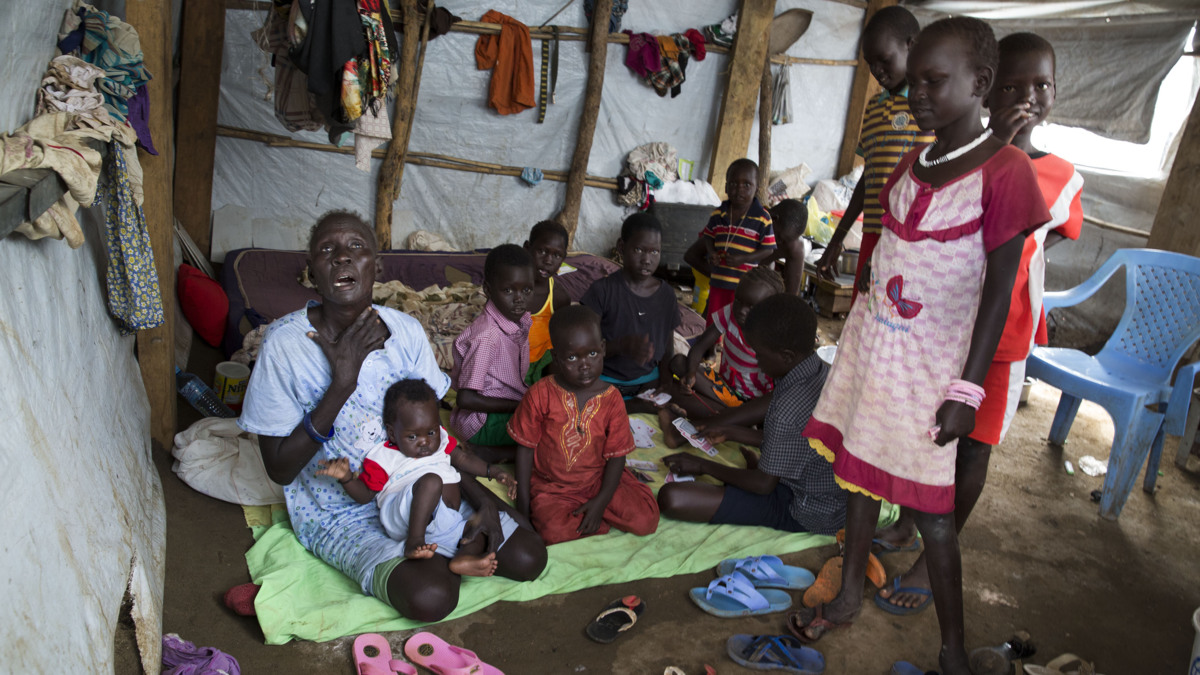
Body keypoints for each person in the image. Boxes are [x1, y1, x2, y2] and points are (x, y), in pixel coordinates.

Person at [787, 19, 1051, 675]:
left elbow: (997, 293)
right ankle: (849, 592)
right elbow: (882, 256)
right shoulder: (913, 161)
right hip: (874, 354)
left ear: (980, 84)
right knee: (858, 480)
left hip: (932, 372)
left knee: (933, 512)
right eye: (916, 82)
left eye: (936, 82)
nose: (919, 95)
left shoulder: (1007, 172)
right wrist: (854, 328)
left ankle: (953, 649)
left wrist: (967, 389)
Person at [239, 211, 546, 622]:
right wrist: (341, 383)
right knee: (432, 595)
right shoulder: (284, 345)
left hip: (427, 489)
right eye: (327, 250)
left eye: (357, 248)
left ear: (377, 266)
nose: (343, 258)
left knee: (529, 555)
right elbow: (279, 468)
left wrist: (481, 498)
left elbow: (434, 440)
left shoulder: (405, 331)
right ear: (311, 271)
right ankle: (435, 562)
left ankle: (441, 553)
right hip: (345, 509)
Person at [873, 31, 1084, 614]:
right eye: (1014, 84)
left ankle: (927, 556)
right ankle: (913, 523)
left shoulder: (1060, 174)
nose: (1029, 95)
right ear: (986, 90)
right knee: (929, 435)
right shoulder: (954, 158)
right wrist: (1001, 145)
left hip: (1004, 339)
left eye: (1041, 84)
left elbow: (1046, 244)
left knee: (972, 449)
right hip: (941, 331)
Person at [657, 294, 844, 535]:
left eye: (760, 354)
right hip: (835, 500)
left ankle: (762, 471)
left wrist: (703, 465)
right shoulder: (821, 371)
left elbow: (764, 485)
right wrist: (735, 432)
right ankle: (765, 468)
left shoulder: (786, 407)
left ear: (786, 356)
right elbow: (802, 439)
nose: (756, 360)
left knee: (672, 498)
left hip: (804, 510)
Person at [315, 378, 519, 577]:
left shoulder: (440, 441)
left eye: (430, 432)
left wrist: (494, 472)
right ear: (393, 434)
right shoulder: (384, 456)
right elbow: (366, 495)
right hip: (404, 515)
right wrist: (347, 478)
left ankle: (464, 559)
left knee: (477, 526)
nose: (424, 442)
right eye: (412, 437)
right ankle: (413, 542)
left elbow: (463, 459)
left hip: (444, 519)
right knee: (431, 481)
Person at [508, 305, 661, 544]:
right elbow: (525, 449)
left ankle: (595, 513)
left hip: (598, 480)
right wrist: (523, 507)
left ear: (602, 349)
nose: (585, 365)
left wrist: (601, 501)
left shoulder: (612, 399)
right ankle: (594, 518)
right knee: (550, 531)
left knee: (646, 519)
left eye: (592, 354)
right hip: (553, 487)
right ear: (556, 358)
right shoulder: (540, 394)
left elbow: (617, 456)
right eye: (572, 357)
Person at [814, 5, 934, 301]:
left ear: (912, 46)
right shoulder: (874, 107)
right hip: (873, 232)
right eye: (870, 63)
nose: (877, 70)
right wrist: (837, 239)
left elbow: (932, 182)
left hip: (910, 241)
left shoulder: (930, 107)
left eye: (885, 59)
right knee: (862, 321)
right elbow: (869, 177)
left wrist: (889, 250)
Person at [659, 267, 785, 444]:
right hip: (723, 388)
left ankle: (715, 420)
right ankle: (721, 417)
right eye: (739, 300)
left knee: (680, 395)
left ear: (771, 309)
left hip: (749, 405)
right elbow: (700, 346)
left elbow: (772, 398)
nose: (741, 310)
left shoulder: (773, 337)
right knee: (679, 363)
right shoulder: (731, 313)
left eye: (751, 306)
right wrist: (691, 375)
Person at [581, 212, 680, 413]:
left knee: (688, 404)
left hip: (648, 383)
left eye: (654, 252)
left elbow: (668, 348)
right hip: (605, 382)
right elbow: (584, 351)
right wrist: (621, 346)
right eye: (638, 249)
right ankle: (629, 407)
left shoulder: (666, 294)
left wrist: (666, 381)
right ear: (621, 247)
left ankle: (634, 407)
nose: (647, 259)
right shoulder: (602, 291)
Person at [450, 244, 536, 463]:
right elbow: (466, 398)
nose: (519, 299)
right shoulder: (487, 337)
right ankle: (492, 453)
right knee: (551, 435)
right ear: (488, 289)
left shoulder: (520, 319)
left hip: (503, 402)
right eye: (508, 290)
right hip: (481, 422)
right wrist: (519, 406)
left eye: (526, 290)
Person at [683, 158, 777, 322]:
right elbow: (708, 237)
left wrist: (744, 259)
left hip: (744, 286)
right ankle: (711, 347)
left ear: (757, 188)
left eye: (746, 185)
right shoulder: (718, 214)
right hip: (719, 280)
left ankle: (731, 347)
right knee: (714, 319)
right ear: (726, 186)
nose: (739, 189)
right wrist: (712, 252)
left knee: (739, 322)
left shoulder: (763, 218)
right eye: (733, 184)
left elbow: (768, 249)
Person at [524, 220, 571, 372]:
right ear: (527, 248)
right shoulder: (509, 288)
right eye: (542, 251)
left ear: (564, 258)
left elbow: (562, 340)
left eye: (557, 255)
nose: (548, 261)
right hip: (505, 359)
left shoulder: (559, 297)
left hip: (540, 364)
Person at [767, 198, 809, 295]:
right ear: (773, 219)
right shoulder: (749, 223)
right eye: (779, 237)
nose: (779, 243)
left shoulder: (793, 246)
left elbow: (791, 296)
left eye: (785, 241)